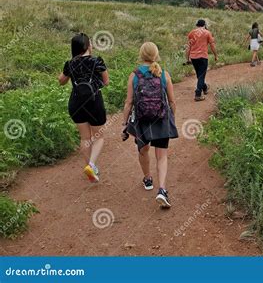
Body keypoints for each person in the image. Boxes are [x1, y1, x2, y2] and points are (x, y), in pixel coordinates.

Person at [122, 42, 178, 208]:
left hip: (142, 120)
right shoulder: (164, 74)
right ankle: (162, 190)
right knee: (161, 156)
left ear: (141, 55)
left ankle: (147, 179)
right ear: (156, 55)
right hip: (161, 119)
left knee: (143, 150)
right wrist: (171, 118)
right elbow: (172, 101)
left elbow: (129, 102)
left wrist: (124, 124)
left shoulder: (134, 75)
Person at [58, 33, 109, 183]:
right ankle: (92, 166)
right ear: (87, 46)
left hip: (75, 103)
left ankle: (89, 167)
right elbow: (106, 82)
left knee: (85, 138)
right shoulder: (96, 61)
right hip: (94, 102)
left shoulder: (70, 63)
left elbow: (61, 81)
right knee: (99, 136)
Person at [186, 19, 217, 101]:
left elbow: (189, 46)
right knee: (201, 75)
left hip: (193, 57)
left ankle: (205, 87)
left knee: (199, 75)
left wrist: (187, 58)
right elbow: (212, 45)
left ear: (197, 25)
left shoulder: (191, 33)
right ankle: (198, 94)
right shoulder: (207, 33)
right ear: (204, 25)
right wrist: (215, 55)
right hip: (203, 56)